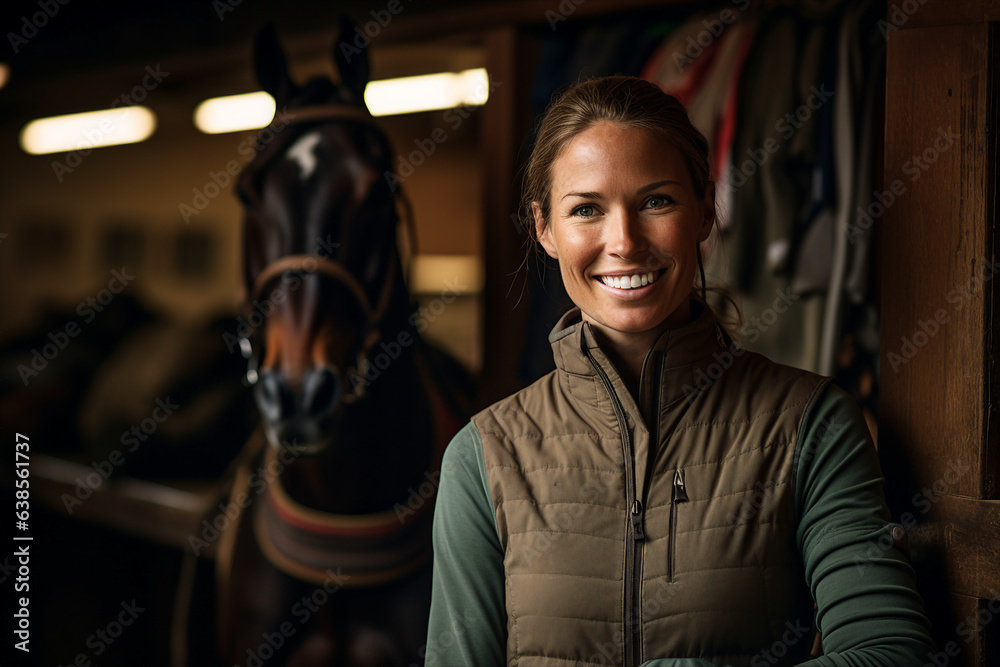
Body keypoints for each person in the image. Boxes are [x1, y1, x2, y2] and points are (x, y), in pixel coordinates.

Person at [424, 76, 933, 666]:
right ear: (545, 229)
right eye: (586, 209)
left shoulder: (810, 425)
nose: (624, 242)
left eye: (656, 202)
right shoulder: (483, 457)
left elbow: (892, 653)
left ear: (704, 211)